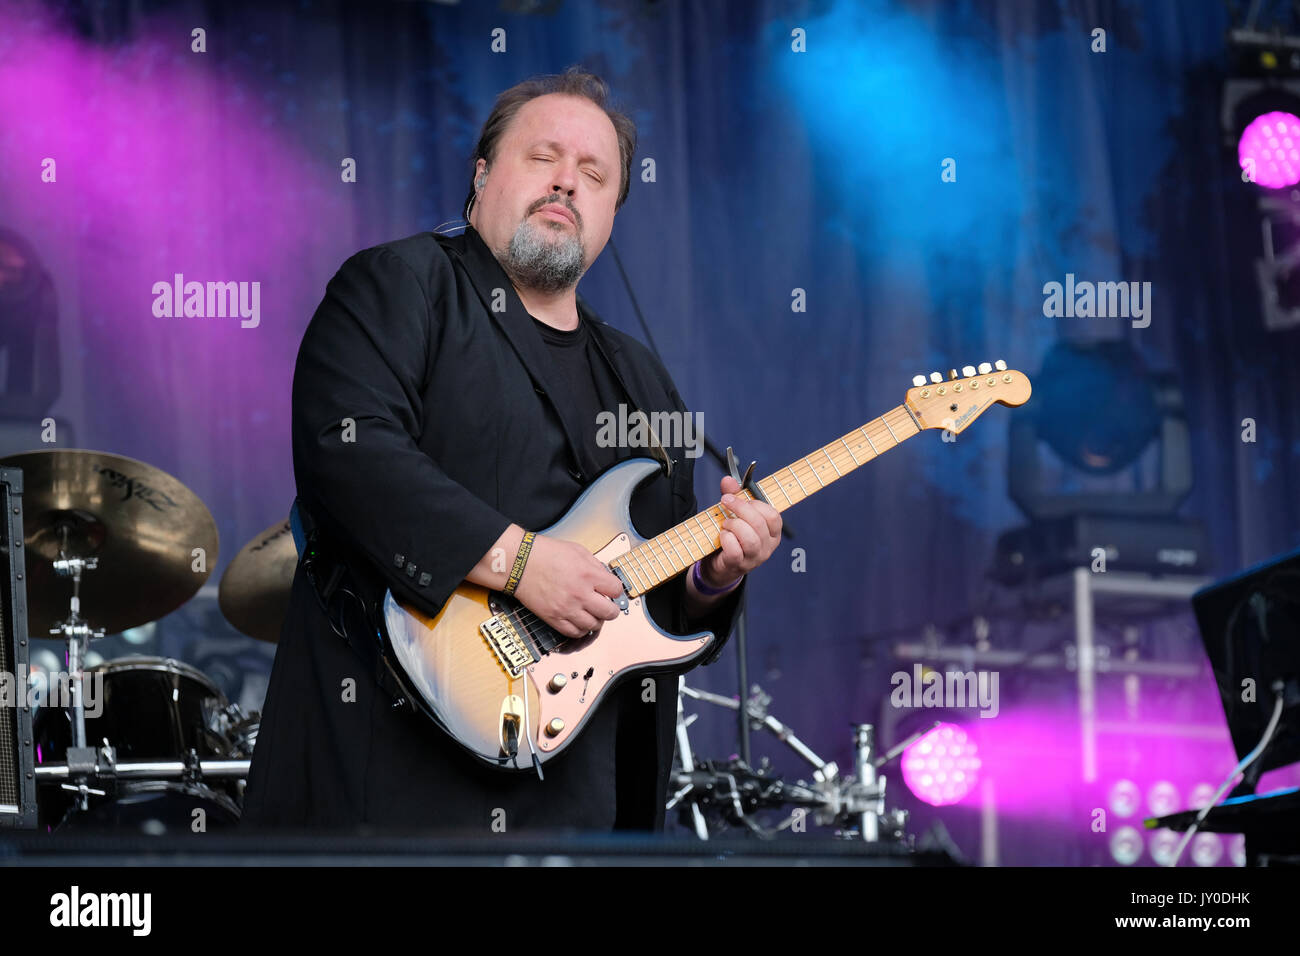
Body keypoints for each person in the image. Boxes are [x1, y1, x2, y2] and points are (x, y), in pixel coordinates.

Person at [241, 67, 782, 833]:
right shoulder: (400, 284)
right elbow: (346, 452)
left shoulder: (643, 380)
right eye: (543, 158)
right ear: (483, 173)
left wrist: (712, 578)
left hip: (583, 800)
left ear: (611, 215)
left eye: (594, 174)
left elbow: (643, 606)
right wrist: (520, 562)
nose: (567, 182)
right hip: (393, 780)